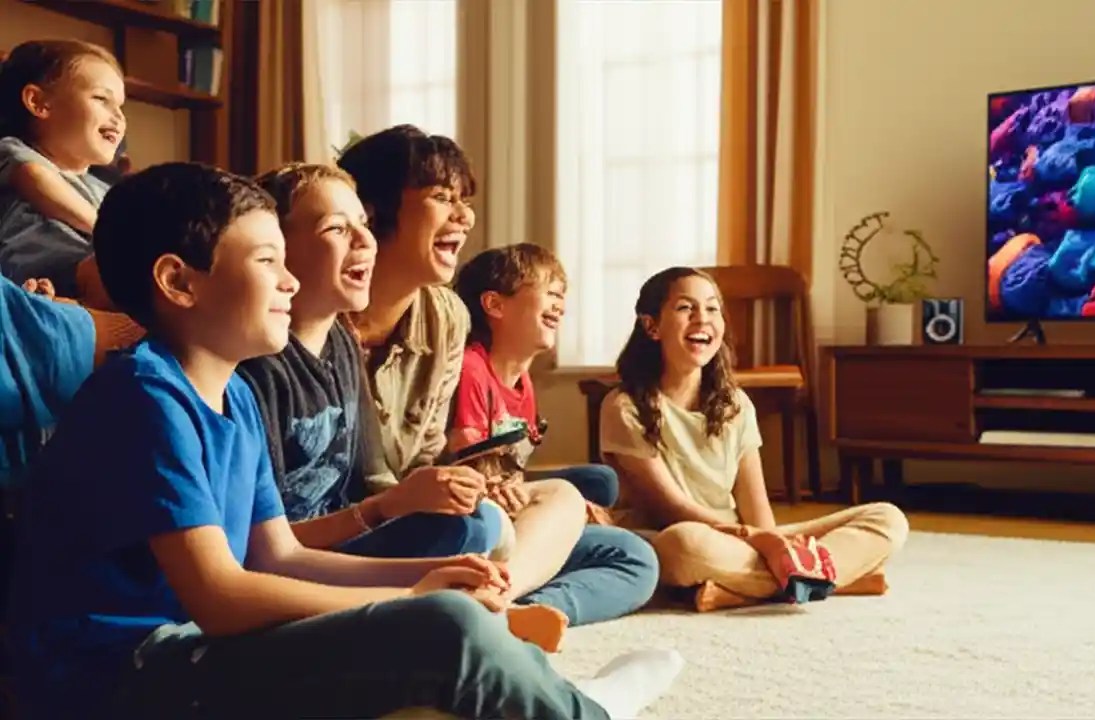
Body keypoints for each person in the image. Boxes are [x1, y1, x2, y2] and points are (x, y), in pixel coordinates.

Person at [6, 162, 684, 719]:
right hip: (116, 680)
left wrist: (424, 578)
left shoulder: (231, 394)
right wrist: (416, 600)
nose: (291, 281)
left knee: (447, 629)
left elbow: (280, 554)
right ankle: (584, 711)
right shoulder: (143, 397)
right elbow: (220, 595)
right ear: (179, 280)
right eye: (269, 260)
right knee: (444, 632)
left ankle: (551, 698)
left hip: (186, 647)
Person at [339, 125, 659, 630]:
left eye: (463, 201)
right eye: (442, 198)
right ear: (371, 212)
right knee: (478, 529)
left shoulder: (445, 316)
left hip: (431, 509)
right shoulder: (321, 319)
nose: (464, 217)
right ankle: (481, 597)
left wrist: (473, 486)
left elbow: (426, 457)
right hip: (368, 529)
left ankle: (505, 609)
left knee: (633, 557)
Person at [237, 163, 561, 649]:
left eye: (362, 224)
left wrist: (428, 492)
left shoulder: (342, 345)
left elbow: (371, 474)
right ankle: (483, 606)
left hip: (352, 539)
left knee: (623, 552)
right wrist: (391, 508)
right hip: (308, 558)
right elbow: (264, 550)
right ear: (277, 250)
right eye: (337, 229)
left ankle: (491, 602)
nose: (365, 241)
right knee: (473, 531)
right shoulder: (253, 368)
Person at [599, 266, 910, 612]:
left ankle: (744, 589)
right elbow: (670, 508)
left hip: (739, 541)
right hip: (672, 538)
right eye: (686, 308)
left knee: (888, 518)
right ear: (652, 326)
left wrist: (769, 538)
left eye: (713, 308)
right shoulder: (624, 406)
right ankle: (822, 577)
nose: (703, 319)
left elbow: (756, 511)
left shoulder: (736, 404)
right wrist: (760, 540)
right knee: (683, 545)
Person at [449, 243, 621, 514]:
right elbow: (468, 468)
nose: (560, 308)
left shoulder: (523, 381)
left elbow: (514, 471)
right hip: (476, 494)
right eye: (551, 293)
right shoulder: (471, 367)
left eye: (562, 297)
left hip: (506, 487)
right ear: (495, 304)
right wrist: (551, 506)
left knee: (601, 481)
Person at [0, 39, 122, 304]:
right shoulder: (14, 151)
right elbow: (35, 179)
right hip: (52, 269)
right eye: (102, 99)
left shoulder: (104, 189)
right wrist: (108, 230)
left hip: (90, 272)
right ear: (39, 102)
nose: (119, 117)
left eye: (121, 106)